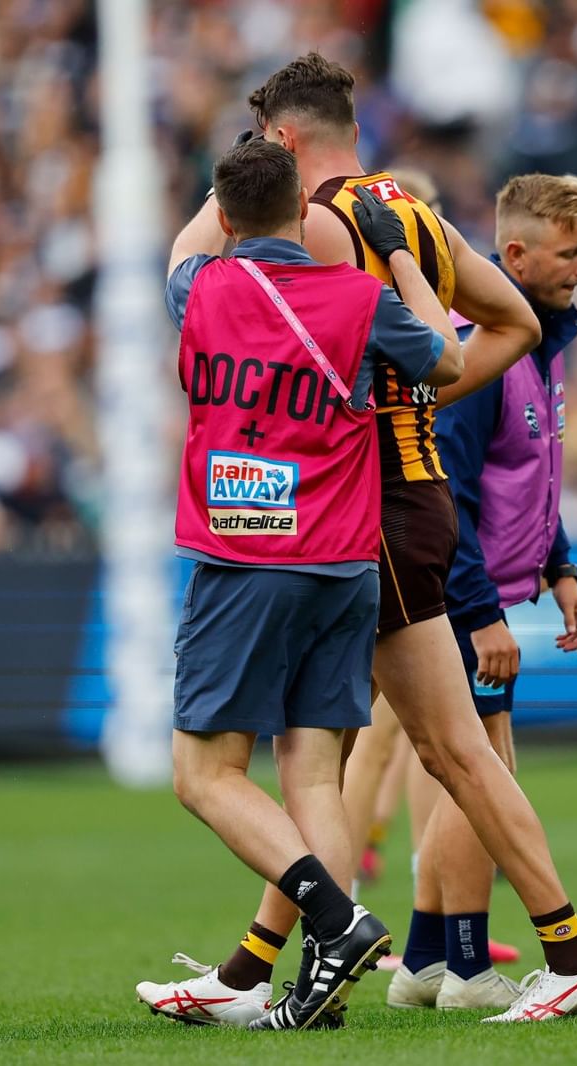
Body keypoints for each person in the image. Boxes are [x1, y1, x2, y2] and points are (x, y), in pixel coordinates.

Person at [137, 54, 577, 1026]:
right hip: (406, 497)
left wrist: (386, 406)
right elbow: (514, 322)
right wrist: (418, 393)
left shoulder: (317, 223)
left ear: (276, 140)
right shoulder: (406, 210)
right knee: (337, 755)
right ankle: (252, 967)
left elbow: (225, 297)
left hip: (362, 506)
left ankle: (567, 947)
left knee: (431, 749)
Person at [155, 137, 462, 1030]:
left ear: (225, 214)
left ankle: (337, 919)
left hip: (245, 557)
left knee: (203, 775)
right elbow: (443, 358)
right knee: (315, 778)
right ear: (303, 211)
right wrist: (400, 252)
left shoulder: (202, 288)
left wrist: (222, 200)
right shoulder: (359, 297)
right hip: (343, 564)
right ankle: (319, 990)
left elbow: (180, 250)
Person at [385, 172, 577, 1022]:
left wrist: (560, 569)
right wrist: (480, 607)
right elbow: (444, 490)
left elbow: (530, 471)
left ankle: (422, 959)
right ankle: (468, 967)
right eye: (572, 252)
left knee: (468, 767)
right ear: (513, 254)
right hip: (451, 594)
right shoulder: (477, 345)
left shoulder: (537, 339)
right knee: (477, 771)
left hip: (478, 590)